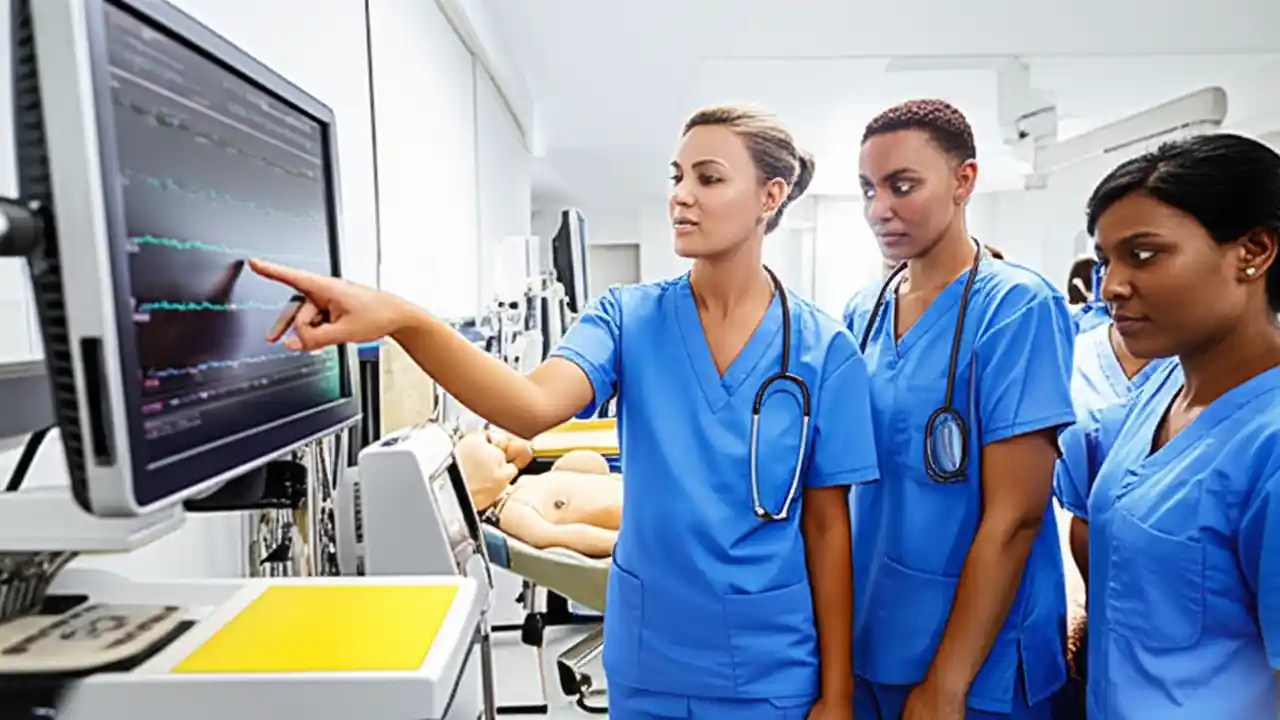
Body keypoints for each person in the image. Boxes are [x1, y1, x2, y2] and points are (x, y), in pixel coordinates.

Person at [250, 104, 879, 719]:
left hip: (769, 669)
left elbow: (828, 530)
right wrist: (405, 320)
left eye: (708, 178)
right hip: (649, 661)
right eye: (677, 176)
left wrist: (838, 694)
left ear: (770, 197)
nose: (681, 196)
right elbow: (529, 407)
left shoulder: (825, 351)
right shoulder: (627, 318)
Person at [844, 98, 1076, 720]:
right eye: (868, 188)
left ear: (963, 180)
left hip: (979, 664)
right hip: (872, 632)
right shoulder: (863, 311)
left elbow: (1018, 516)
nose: (879, 209)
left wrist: (948, 683)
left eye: (902, 185)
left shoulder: (1017, 308)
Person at [1054, 133, 1280, 719]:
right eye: (1105, 261)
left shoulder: (1269, 445)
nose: (1110, 287)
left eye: (1144, 254)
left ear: (1254, 251)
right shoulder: (1159, 389)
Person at [455, 429, 621, 558]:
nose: (499, 441)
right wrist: (618, 542)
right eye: (490, 441)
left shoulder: (523, 483)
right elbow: (556, 537)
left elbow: (525, 453)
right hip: (629, 520)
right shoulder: (513, 511)